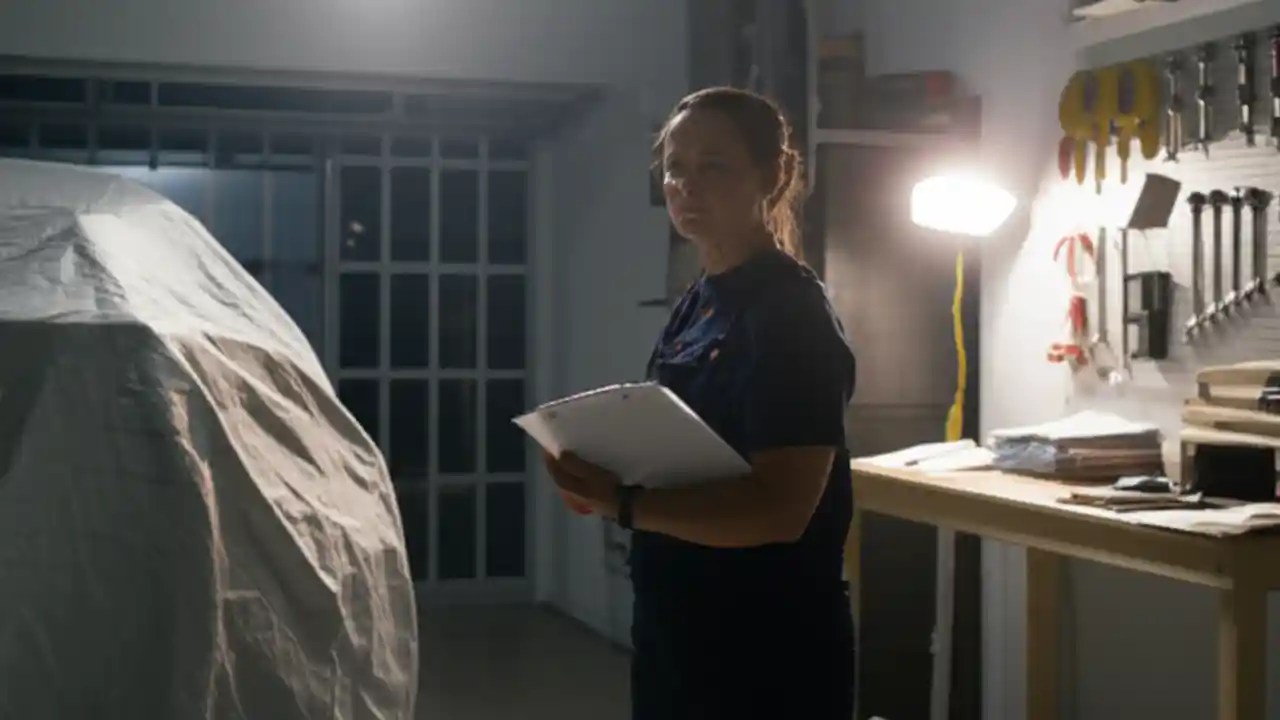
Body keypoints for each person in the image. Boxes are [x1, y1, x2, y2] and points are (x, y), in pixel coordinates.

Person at [543, 86, 857, 720]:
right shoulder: (699, 300)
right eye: (675, 167)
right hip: (678, 629)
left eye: (714, 165)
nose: (686, 185)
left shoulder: (790, 315)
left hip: (766, 649)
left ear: (776, 175)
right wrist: (606, 472)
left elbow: (780, 511)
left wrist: (625, 503)